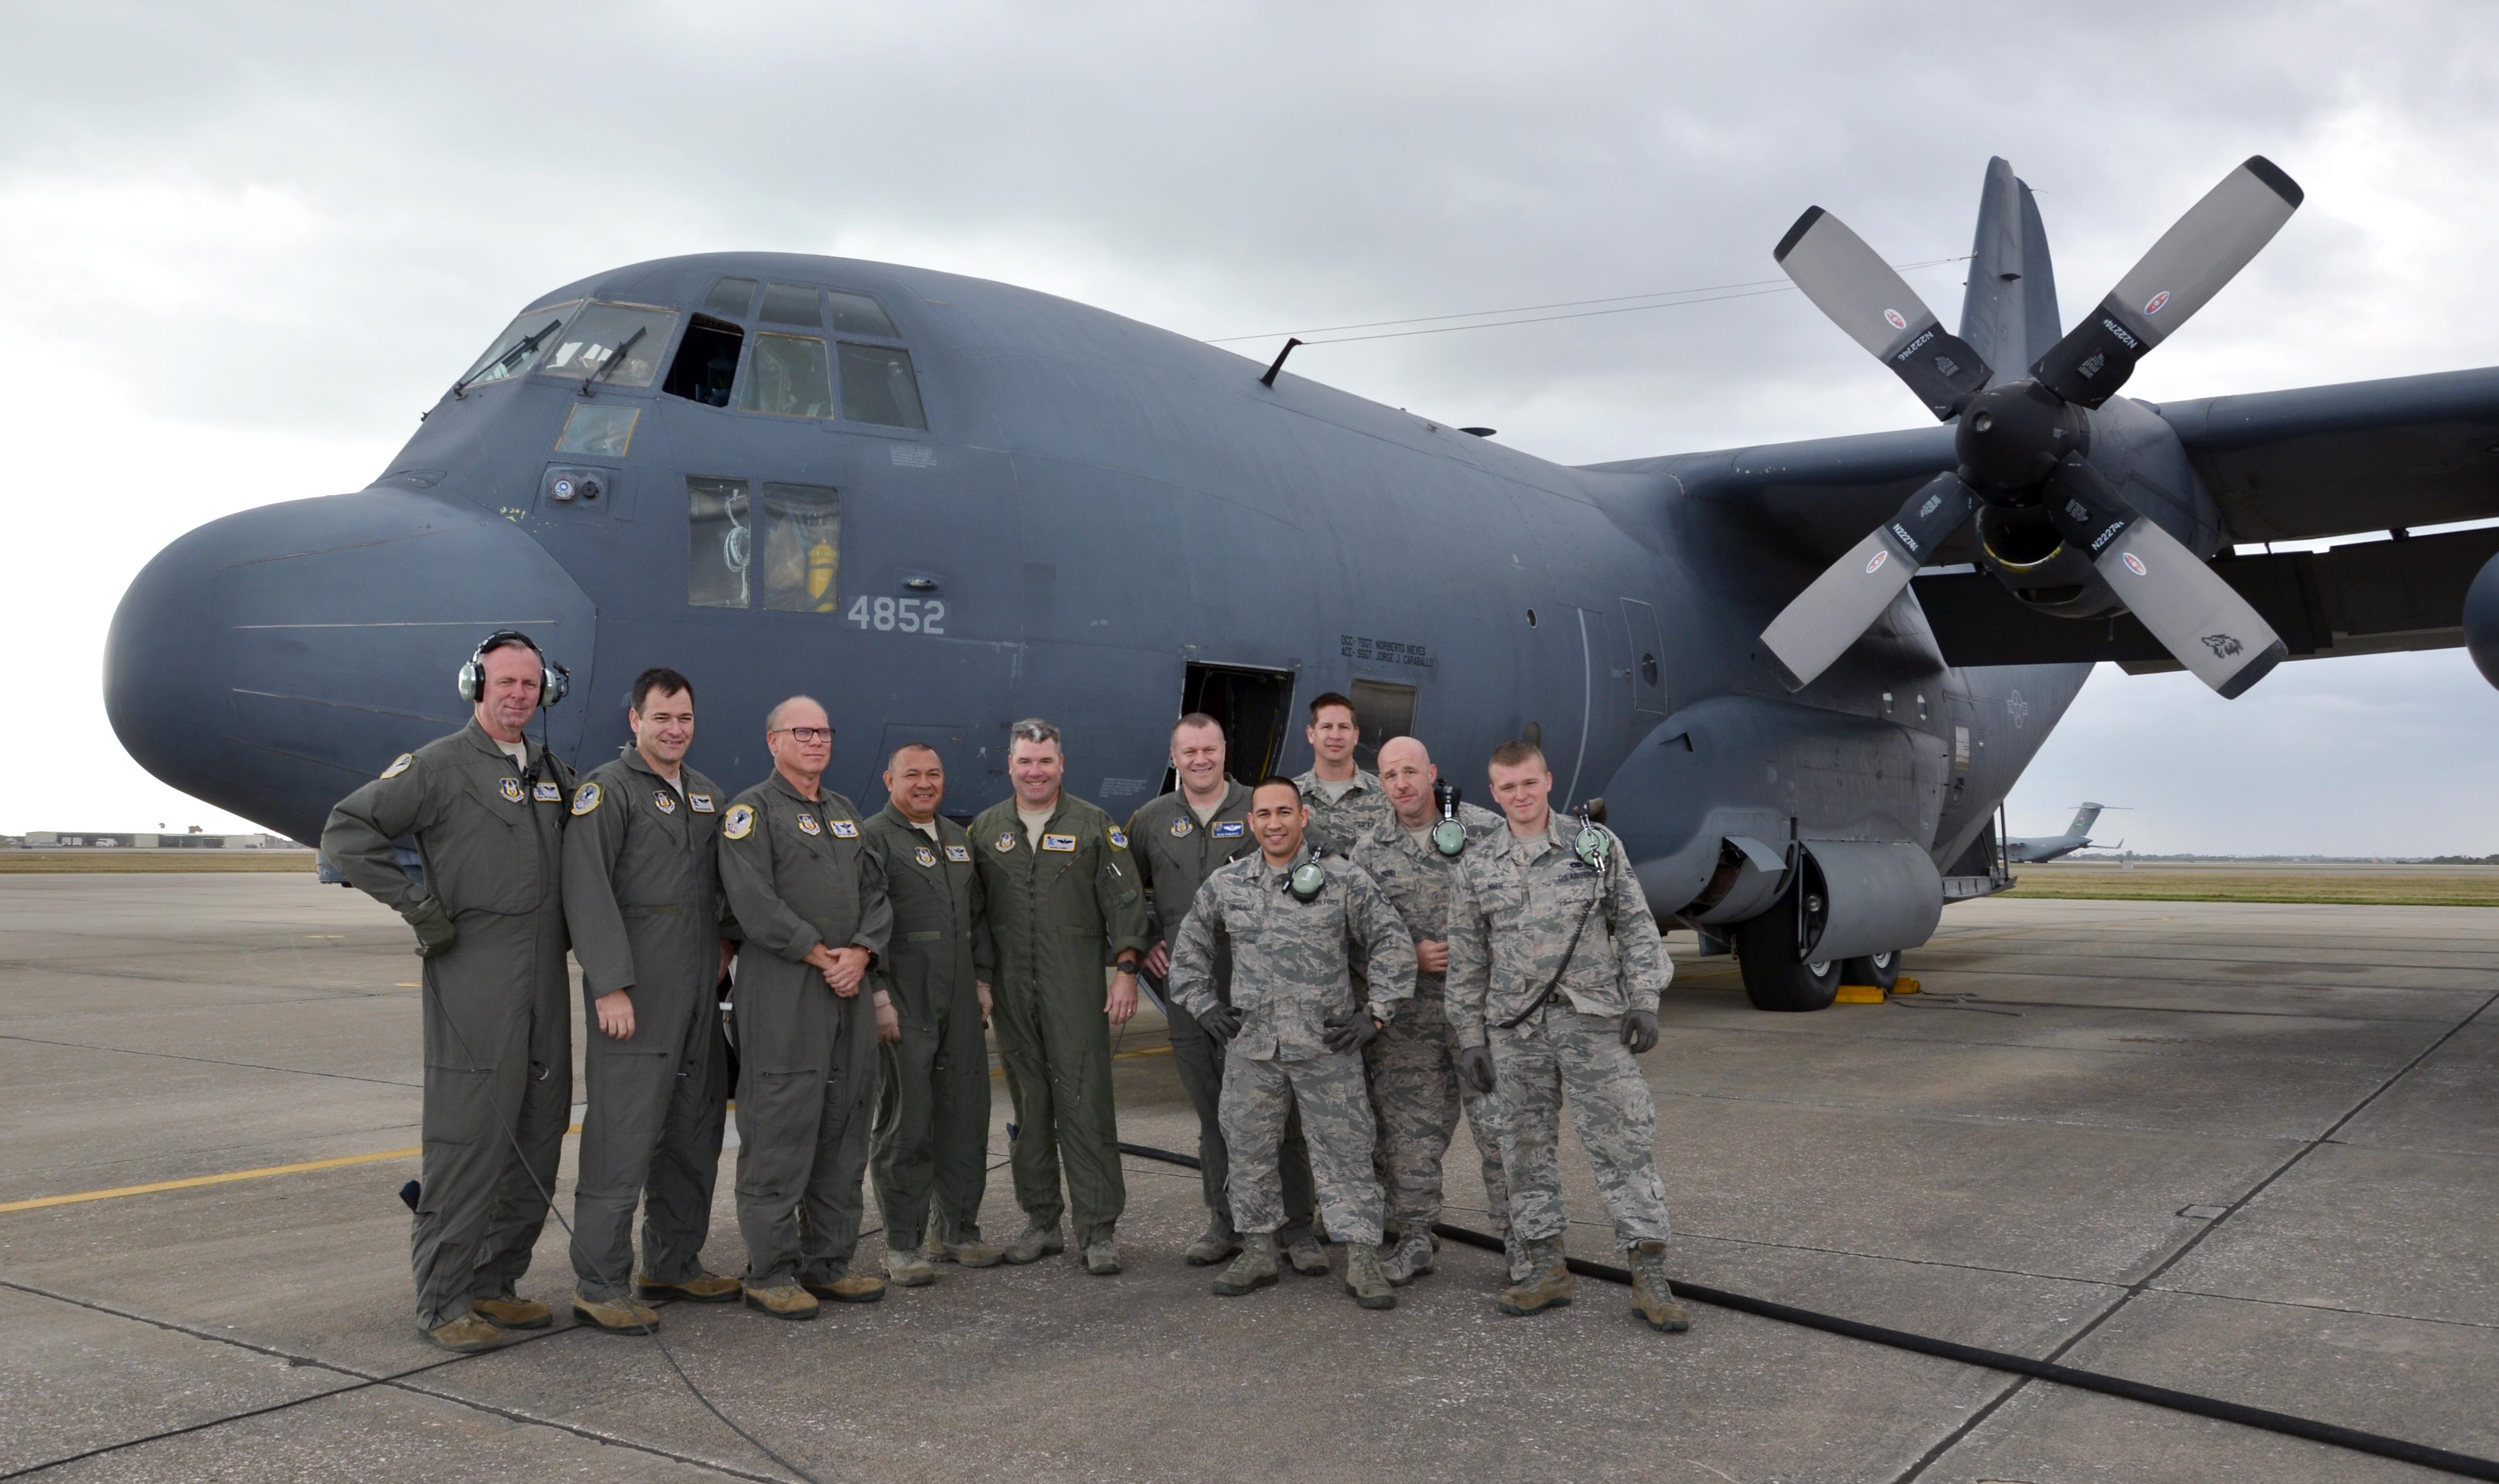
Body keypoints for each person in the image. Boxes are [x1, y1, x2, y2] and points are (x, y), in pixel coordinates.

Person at [321, 631, 576, 1353]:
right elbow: (349, 830)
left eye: (531, 684)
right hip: (476, 970)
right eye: (505, 682)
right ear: (477, 685)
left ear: (545, 691)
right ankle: (442, 1299)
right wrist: (419, 907)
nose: (518, 695)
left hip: (545, 975)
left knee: (540, 1126)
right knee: (470, 1134)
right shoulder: (438, 767)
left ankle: (498, 1283)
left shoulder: (552, 772)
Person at [1446, 740, 1691, 1332]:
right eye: (1506, 788)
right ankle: (1545, 1269)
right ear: (1493, 793)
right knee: (1522, 1152)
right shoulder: (1476, 865)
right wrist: (1470, 1038)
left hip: (1592, 1022)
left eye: (1528, 784)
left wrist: (1645, 1001)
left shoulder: (1596, 848)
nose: (1519, 796)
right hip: (1515, 1030)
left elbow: (1634, 925)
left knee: (1623, 1144)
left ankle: (1648, 1275)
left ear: (1548, 781)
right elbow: (1466, 961)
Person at [1168, 777, 1416, 1309]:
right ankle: (1257, 1251)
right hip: (1253, 1049)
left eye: (1285, 812)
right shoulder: (1227, 884)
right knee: (1249, 1152)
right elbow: (1187, 949)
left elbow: (1391, 943)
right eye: (1264, 814)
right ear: (1252, 823)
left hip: (1327, 1048)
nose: (1274, 823)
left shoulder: (1342, 878)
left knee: (1346, 1155)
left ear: (1302, 818)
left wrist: (1375, 1015)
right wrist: (1204, 1004)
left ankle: (1363, 1261)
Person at [558, 667, 741, 1332]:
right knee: (622, 1139)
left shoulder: (706, 796)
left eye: (685, 718)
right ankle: (600, 1282)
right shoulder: (607, 794)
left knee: (694, 1134)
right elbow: (585, 889)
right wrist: (609, 983)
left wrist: (726, 942)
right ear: (634, 720)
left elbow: (726, 885)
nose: (675, 730)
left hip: (699, 994)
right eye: (662, 718)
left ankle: (672, 1264)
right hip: (635, 996)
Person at [716, 697, 894, 1320]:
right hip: (785, 994)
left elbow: (877, 894)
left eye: (824, 731)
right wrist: (823, 957)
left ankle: (828, 1265)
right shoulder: (751, 813)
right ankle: (769, 1271)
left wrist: (863, 955)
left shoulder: (844, 812)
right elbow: (752, 903)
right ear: (773, 741)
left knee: (844, 1128)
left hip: (847, 994)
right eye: (803, 731)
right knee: (779, 1131)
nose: (816, 741)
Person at [1126, 714, 1323, 1273]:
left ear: (1223, 751)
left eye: (1208, 750)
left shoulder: (1259, 807)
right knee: (1213, 1111)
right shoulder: (1150, 820)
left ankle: (1296, 1227)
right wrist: (1141, 944)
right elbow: (1120, 891)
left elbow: (1317, 870)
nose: (1199, 760)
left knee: (1279, 1110)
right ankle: (1226, 1220)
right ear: (1173, 758)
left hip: (1261, 987)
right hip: (1190, 993)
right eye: (1188, 752)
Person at [969, 719, 1151, 1276]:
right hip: (1010, 988)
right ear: (1010, 765)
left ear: (1061, 764)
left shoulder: (1095, 826)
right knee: (1029, 1105)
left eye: (1044, 761)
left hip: (1073, 983)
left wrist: (1125, 971)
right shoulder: (985, 830)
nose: (1035, 771)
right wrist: (980, 979)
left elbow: (1126, 903)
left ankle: (1097, 1230)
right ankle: (1042, 1222)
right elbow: (975, 915)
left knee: (1084, 1101)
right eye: (1025, 761)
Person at [1346, 736, 1515, 1287]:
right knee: (1408, 1138)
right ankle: (1414, 1237)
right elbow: (1351, 934)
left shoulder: (1484, 831)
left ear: (1432, 773)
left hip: (1482, 1019)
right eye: (1389, 775)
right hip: (1410, 1021)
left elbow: (1519, 909)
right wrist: (1407, 955)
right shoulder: (1369, 850)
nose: (1400, 784)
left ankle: (1522, 1243)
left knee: (1503, 1132)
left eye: (1409, 772)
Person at [862, 742, 1006, 1284]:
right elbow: (863, 921)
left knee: (965, 1118)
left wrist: (983, 979)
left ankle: (958, 1232)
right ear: (889, 780)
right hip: (906, 1001)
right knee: (907, 1123)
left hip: (960, 1004)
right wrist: (877, 996)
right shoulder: (873, 839)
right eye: (912, 775)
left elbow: (977, 919)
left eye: (934, 774)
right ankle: (902, 1243)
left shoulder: (954, 839)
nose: (924, 784)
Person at [1292, 692, 1390, 853]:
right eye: (1327, 727)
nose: (1336, 736)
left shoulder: (1385, 795)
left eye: (1343, 727)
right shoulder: (1290, 797)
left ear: (1356, 735)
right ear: (1311, 734)